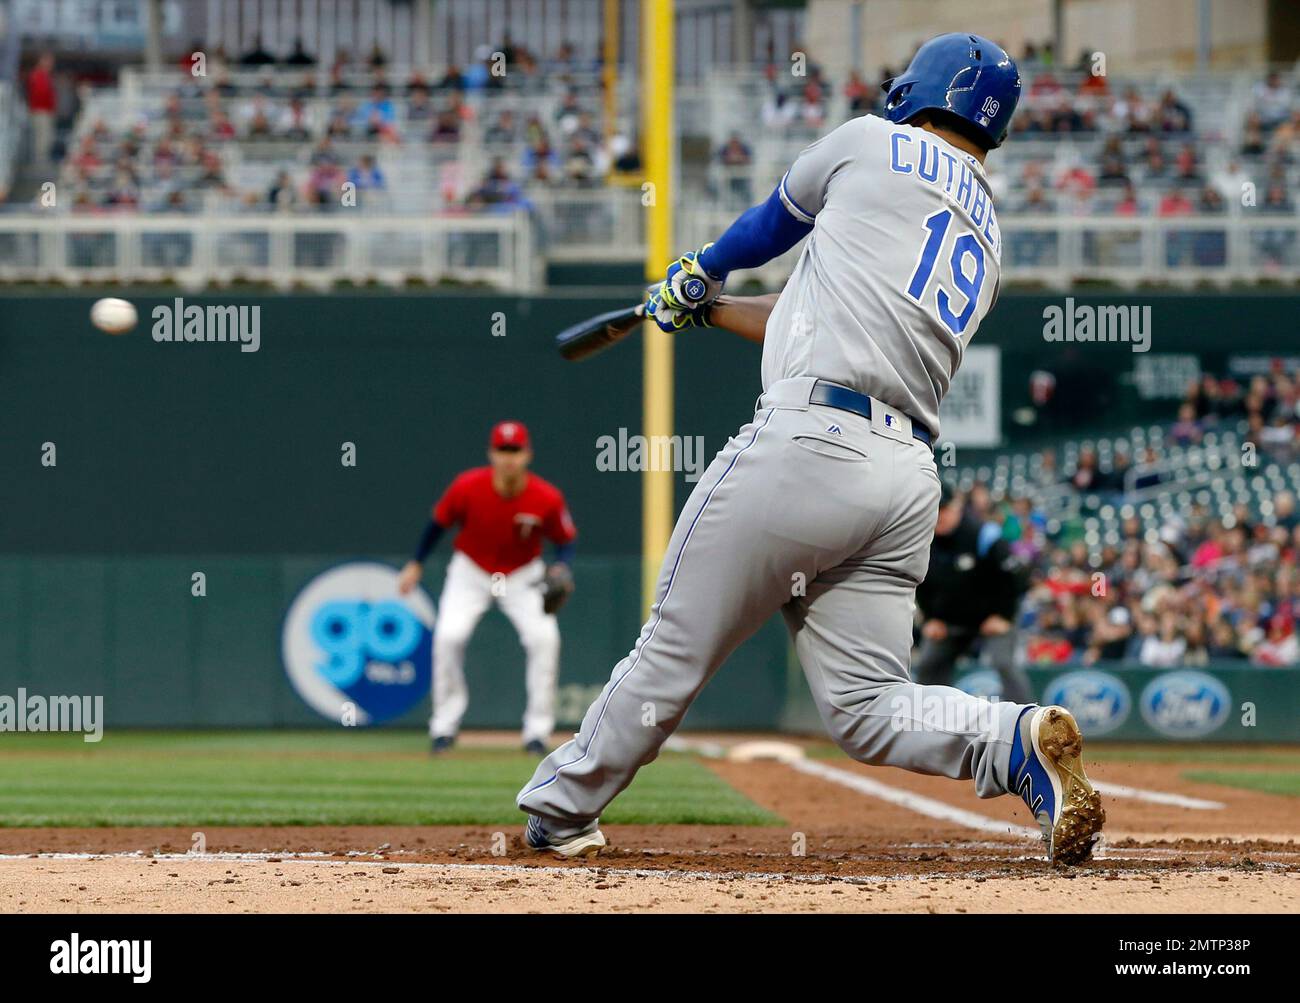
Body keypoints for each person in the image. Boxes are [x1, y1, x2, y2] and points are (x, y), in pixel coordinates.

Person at [516, 34, 1104, 865]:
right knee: (869, 705)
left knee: (674, 644)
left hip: (808, 442)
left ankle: (560, 807)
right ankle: (1011, 739)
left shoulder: (871, 139)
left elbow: (772, 223)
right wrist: (709, 305)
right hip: (902, 480)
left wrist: (700, 268)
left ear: (920, 88)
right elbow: (807, 302)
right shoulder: (987, 232)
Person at [397, 422, 577, 756]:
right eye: (503, 450)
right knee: (449, 636)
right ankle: (443, 728)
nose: (509, 458)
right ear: (491, 454)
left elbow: (565, 541)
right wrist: (416, 562)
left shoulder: (546, 497)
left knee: (544, 639)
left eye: (515, 451)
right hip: (471, 571)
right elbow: (438, 524)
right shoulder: (467, 487)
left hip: (523, 575)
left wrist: (562, 566)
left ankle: (537, 733)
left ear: (528, 455)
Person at [912, 484, 1033, 702]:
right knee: (929, 662)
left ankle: (1026, 724)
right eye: (934, 510)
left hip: (992, 617)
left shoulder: (984, 534)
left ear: (956, 507)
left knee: (1003, 662)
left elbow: (1016, 578)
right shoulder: (922, 539)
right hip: (949, 620)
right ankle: (929, 725)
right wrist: (930, 619)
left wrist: (1003, 616)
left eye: (944, 508)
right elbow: (918, 582)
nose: (940, 515)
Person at [26, 53, 57, 166]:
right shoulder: (36, 75)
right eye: (47, 61)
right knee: (41, 137)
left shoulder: (47, 76)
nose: (50, 64)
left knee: (48, 136)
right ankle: (39, 161)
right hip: (39, 110)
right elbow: (38, 93)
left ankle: (42, 159)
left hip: (47, 111)